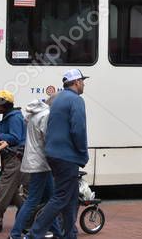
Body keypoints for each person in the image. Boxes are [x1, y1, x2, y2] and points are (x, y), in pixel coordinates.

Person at [28, 69, 89, 239]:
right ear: (76, 82)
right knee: (61, 197)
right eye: (82, 81)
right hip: (67, 156)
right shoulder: (76, 100)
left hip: (53, 153)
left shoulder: (58, 99)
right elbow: (78, 129)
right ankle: (35, 233)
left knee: (71, 196)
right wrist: (83, 153)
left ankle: (70, 234)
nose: (84, 84)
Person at [9, 98, 63, 239]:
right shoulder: (46, 115)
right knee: (33, 200)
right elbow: (48, 139)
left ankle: (57, 233)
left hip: (37, 162)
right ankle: (15, 234)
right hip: (41, 163)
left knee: (51, 201)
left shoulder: (34, 114)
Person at [0, 90, 27, 233]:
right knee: (12, 192)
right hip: (12, 159)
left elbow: (14, 138)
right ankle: (28, 215)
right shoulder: (10, 116)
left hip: (14, 159)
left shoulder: (14, 118)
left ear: (3, 104)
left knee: (2, 190)